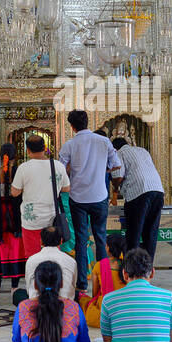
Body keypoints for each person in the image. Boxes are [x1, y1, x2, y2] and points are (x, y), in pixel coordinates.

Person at [58, 110, 122, 293]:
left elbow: (61, 171)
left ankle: (82, 285)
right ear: (87, 122)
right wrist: (100, 169)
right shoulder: (103, 141)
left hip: (77, 198)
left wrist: (74, 170)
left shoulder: (70, 144)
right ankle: (104, 285)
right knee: (101, 239)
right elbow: (116, 165)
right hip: (100, 196)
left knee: (80, 240)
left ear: (72, 126)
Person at [10, 134, 70, 261]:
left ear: (28, 150)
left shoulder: (23, 168)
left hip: (32, 220)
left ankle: (35, 280)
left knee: (33, 257)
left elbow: (15, 192)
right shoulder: (58, 165)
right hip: (53, 219)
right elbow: (66, 188)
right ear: (45, 148)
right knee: (53, 257)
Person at [111, 136, 165, 261]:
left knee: (134, 234)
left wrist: (115, 188)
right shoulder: (142, 150)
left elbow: (118, 176)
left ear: (114, 148)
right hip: (157, 191)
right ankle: (147, 268)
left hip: (138, 194)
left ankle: (132, 268)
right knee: (150, 234)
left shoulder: (119, 153)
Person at [0, 142, 26, 292]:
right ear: (15, 157)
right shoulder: (18, 171)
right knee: (15, 248)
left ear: (1, 156)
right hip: (15, 216)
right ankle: (14, 286)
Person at [24, 225, 78, 304]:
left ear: (41, 241)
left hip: (37, 304)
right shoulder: (70, 261)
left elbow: (29, 288)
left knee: (18, 294)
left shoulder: (31, 260)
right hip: (65, 304)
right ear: (61, 241)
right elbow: (73, 284)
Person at [85, 232, 126, 328]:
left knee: (83, 301)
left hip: (105, 312)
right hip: (125, 310)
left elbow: (95, 293)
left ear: (108, 248)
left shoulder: (99, 265)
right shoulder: (129, 265)